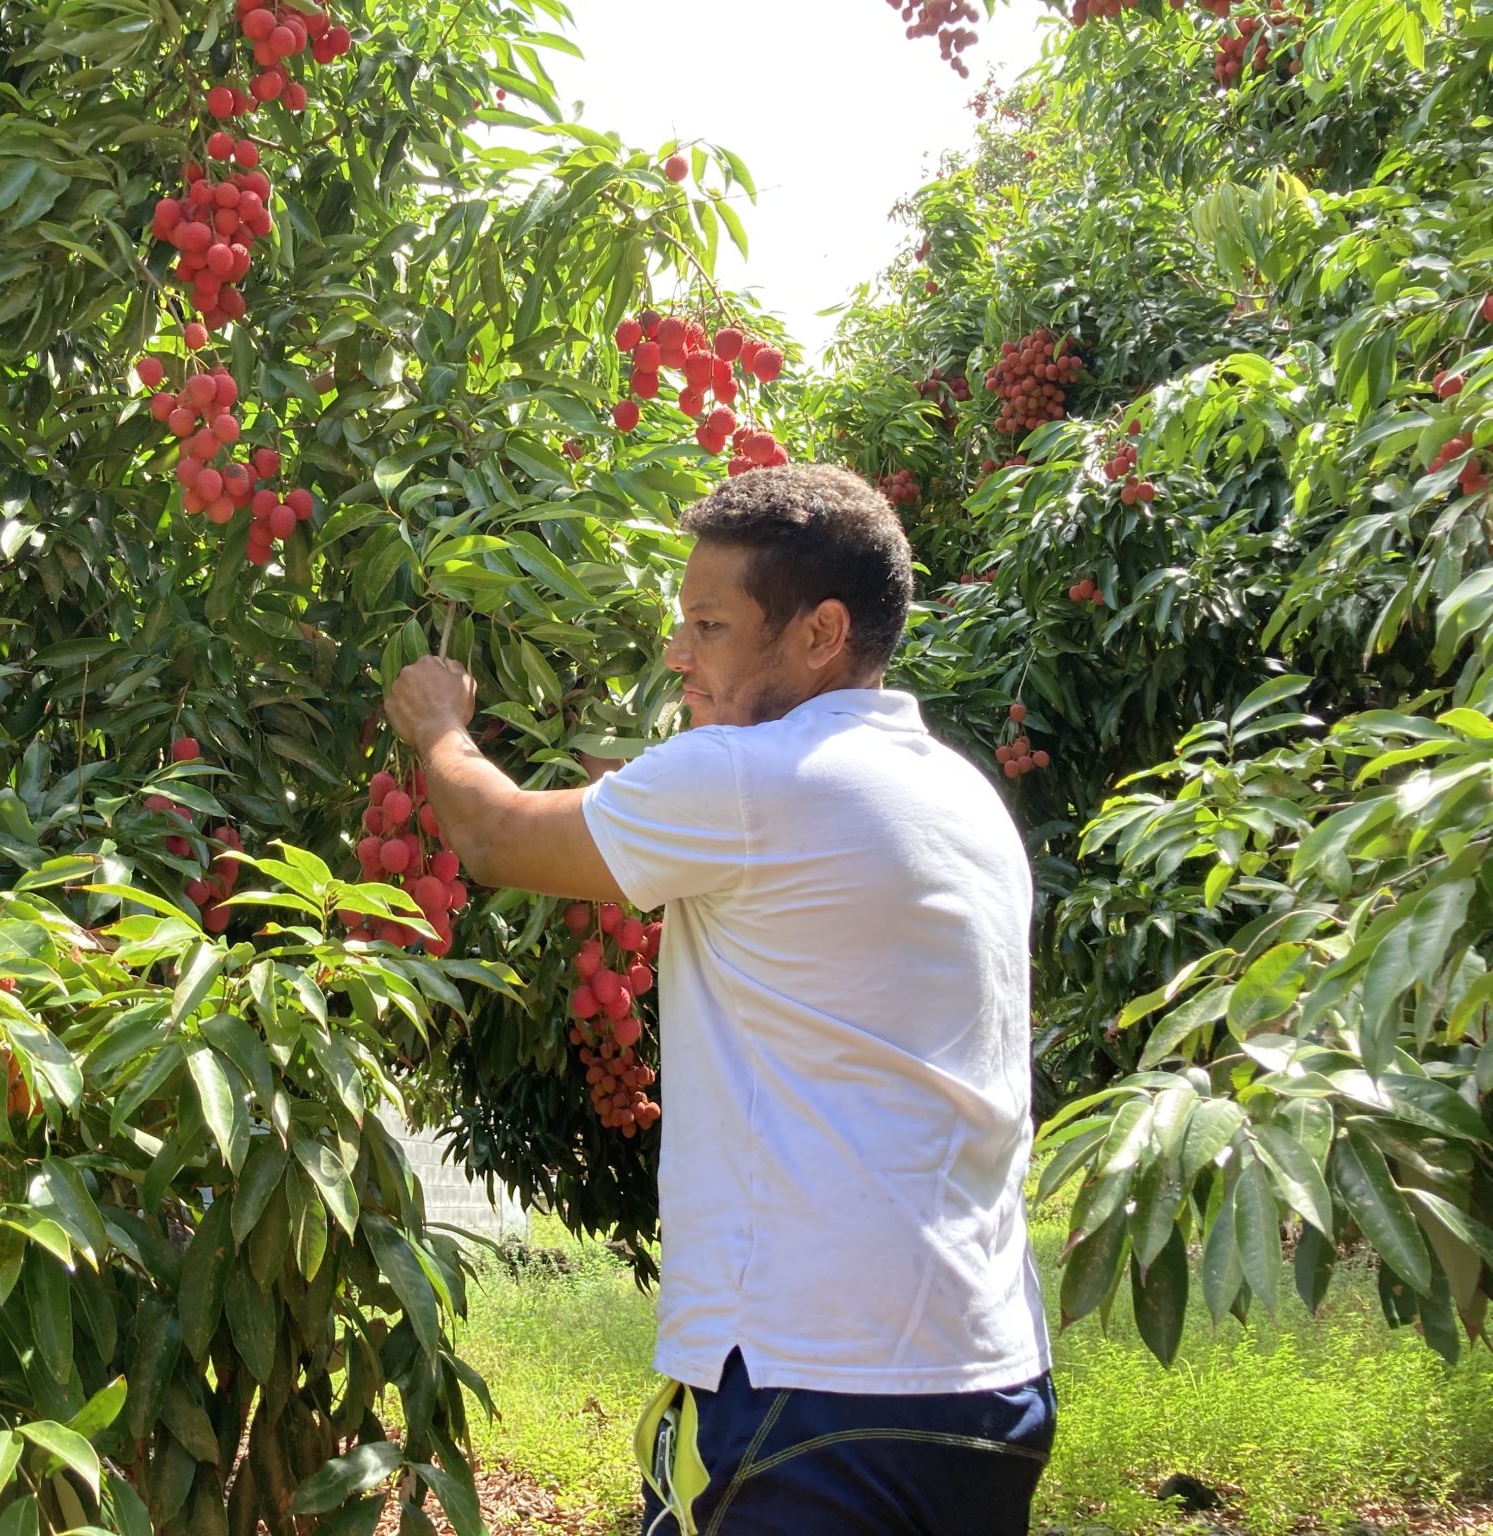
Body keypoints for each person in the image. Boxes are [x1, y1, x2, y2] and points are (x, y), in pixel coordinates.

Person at [381, 462, 1055, 1536]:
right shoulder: (954, 794)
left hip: (808, 1385)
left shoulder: (752, 778)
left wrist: (437, 727)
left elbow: (493, 834)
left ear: (819, 632)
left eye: (707, 625)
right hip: (984, 1384)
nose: (675, 654)